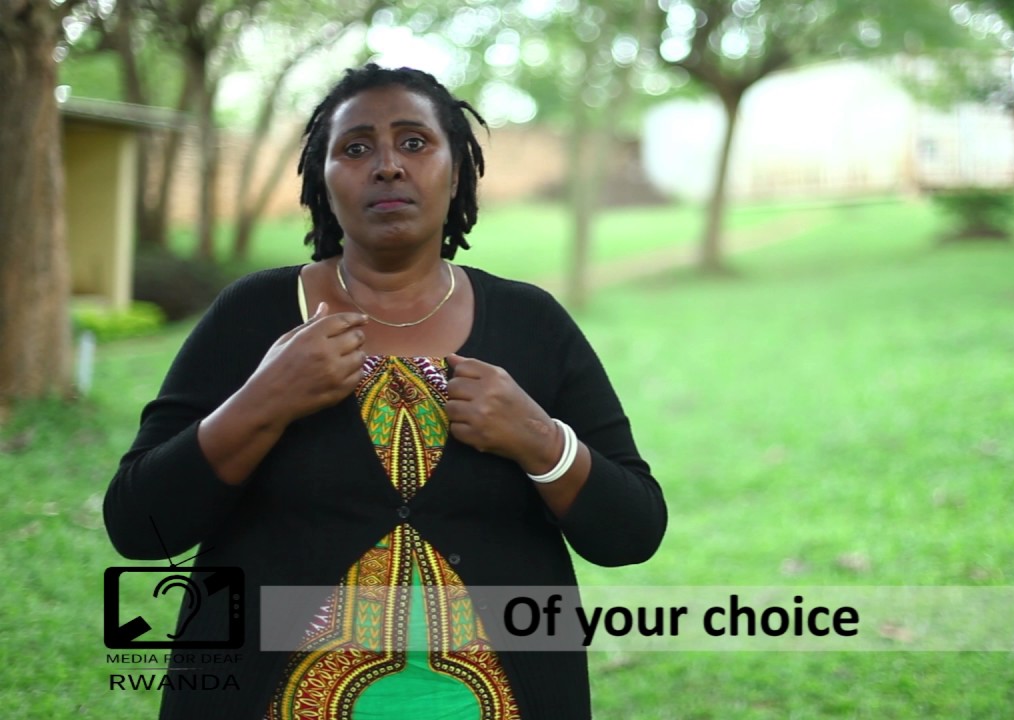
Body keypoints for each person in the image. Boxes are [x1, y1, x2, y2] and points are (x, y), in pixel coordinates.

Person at [103, 64, 666, 720]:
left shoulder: (531, 324)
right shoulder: (254, 316)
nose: (388, 165)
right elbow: (139, 525)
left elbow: (633, 531)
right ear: (324, 179)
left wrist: (541, 442)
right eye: (357, 148)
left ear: (456, 171)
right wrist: (265, 398)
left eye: (415, 142)